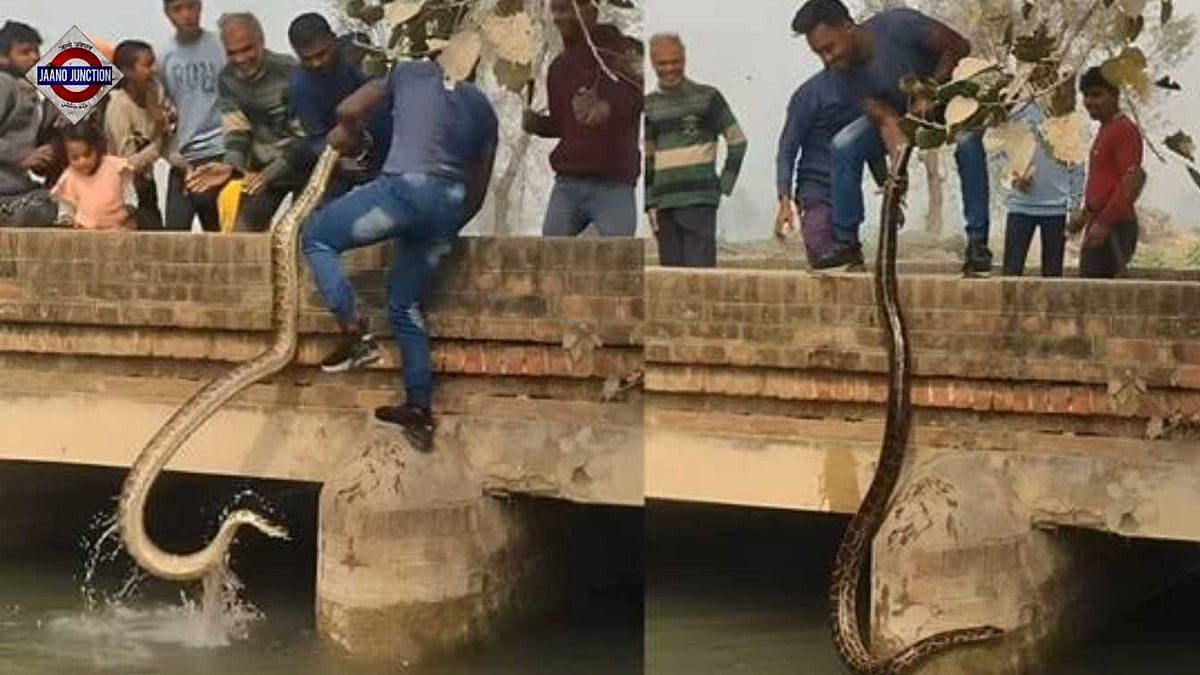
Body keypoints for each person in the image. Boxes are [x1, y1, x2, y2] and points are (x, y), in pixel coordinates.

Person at [300, 46, 498, 450]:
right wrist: (449, 224)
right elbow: (479, 186)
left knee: (317, 237)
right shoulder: (483, 108)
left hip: (406, 188)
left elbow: (349, 109)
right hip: (448, 204)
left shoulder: (411, 72)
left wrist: (349, 135)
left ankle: (354, 335)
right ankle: (418, 408)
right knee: (404, 305)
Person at [792, 0, 994, 276]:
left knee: (968, 142)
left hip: (949, 101)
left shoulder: (899, 25)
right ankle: (847, 243)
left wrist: (931, 91)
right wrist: (897, 178)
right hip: (903, 115)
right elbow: (886, 120)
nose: (827, 59)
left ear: (847, 27)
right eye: (819, 54)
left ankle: (978, 245)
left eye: (829, 48)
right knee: (843, 145)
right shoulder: (841, 72)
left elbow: (960, 46)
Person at [523, 0, 642, 237]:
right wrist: (537, 124)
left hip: (615, 185)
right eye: (555, 9)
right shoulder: (559, 68)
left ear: (591, 10)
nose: (559, 17)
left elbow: (642, 100)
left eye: (567, 8)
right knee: (550, 262)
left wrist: (609, 105)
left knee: (615, 265)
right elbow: (563, 125)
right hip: (568, 184)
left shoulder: (626, 52)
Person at [184, 12, 312, 232]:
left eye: (247, 49)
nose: (241, 59)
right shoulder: (227, 79)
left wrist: (270, 174)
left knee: (300, 235)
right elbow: (236, 130)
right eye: (232, 53)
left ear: (261, 42)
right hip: (260, 173)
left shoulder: (289, 72)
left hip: (301, 166)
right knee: (242, 233)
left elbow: (304, 137)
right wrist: (231, 165)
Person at [644, 33, 747, 268]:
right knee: (670, 280)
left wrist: (722, 185)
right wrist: (649, 204)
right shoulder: (649, 105)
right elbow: (648, 158)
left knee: (700, 276)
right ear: (652, 63)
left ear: (684, 60)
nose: (670, 68)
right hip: (665, 205)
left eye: (675, 61)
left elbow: (738, 141)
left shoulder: (708, 98)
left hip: (699, 202)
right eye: (663, 63)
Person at [774, 68, 879, 267]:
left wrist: (890, 189)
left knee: (848, 258)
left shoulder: (867, 93)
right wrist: (784, 200)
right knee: (824, 259)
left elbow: (871, 148)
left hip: (848, 196)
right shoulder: (810, 94)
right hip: (815, 191)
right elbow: (787, 149)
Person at [287, 12, 391, 201]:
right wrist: (343, 162)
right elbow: (317, 141)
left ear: (333, 40)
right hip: (345, 157)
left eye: (321, 54)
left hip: (386, 139)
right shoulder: (300, 86)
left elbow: (385, 92)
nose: (317, 63)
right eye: (307, 59)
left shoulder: (359, 49)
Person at [1069, 67, 1144, 279]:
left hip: (1115, 227)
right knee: (1090, 295)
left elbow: (1130, 182)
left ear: (1114, 96)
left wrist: (1104, 222)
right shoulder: (1106, 129)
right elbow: (1104, 186)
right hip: (1100, 224)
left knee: (1101, 300)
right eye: (1086, 95)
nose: (1089, 102)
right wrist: (1084, 217)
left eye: (1097, 94)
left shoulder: (1123, 130)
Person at [158, 0, 228, 232]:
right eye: (178, 9)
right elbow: (164, 108)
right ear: (168, 13)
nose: (186, 14)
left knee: (220, 235)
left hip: (221, 154)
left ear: (200, 7)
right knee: (173, 236)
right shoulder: (163, 55)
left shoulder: (221, 46)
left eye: (191, 6)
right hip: (184, 157)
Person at [1000, 101, 1084, 277]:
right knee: (1011, 273)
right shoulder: (1015, 113)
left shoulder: (1064, 116)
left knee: (1053, 275)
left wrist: (1075, 205)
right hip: (1020, 206)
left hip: (1056, 209)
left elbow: (1077, 165)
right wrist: (1014, 179)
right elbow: (1000, 155)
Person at [106, 40, 170, 231]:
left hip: (147, 184)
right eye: (147, 65)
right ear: (128, 71)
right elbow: (127, 163)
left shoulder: (154, 91)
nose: (154, 70)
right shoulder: (119, 107)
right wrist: (161, 142)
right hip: (125, 193)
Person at [0, 21, 57, 227]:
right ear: (4, 57)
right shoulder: (4, 84)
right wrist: (22, 157)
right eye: (24, 52)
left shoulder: (26, 89)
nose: (34, 57)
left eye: (36, 51)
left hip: (19, 186)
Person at [50, 122, 137, 230]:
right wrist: (66, 220)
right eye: (75, 158)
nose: (82, 161)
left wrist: (129, 212)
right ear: (66, 157)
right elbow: (67, 209)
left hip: (119, 229)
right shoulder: (68, 177)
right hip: (84, 233)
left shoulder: (116, 167)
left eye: (87, 155)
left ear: (97, 149)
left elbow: (129, 196)